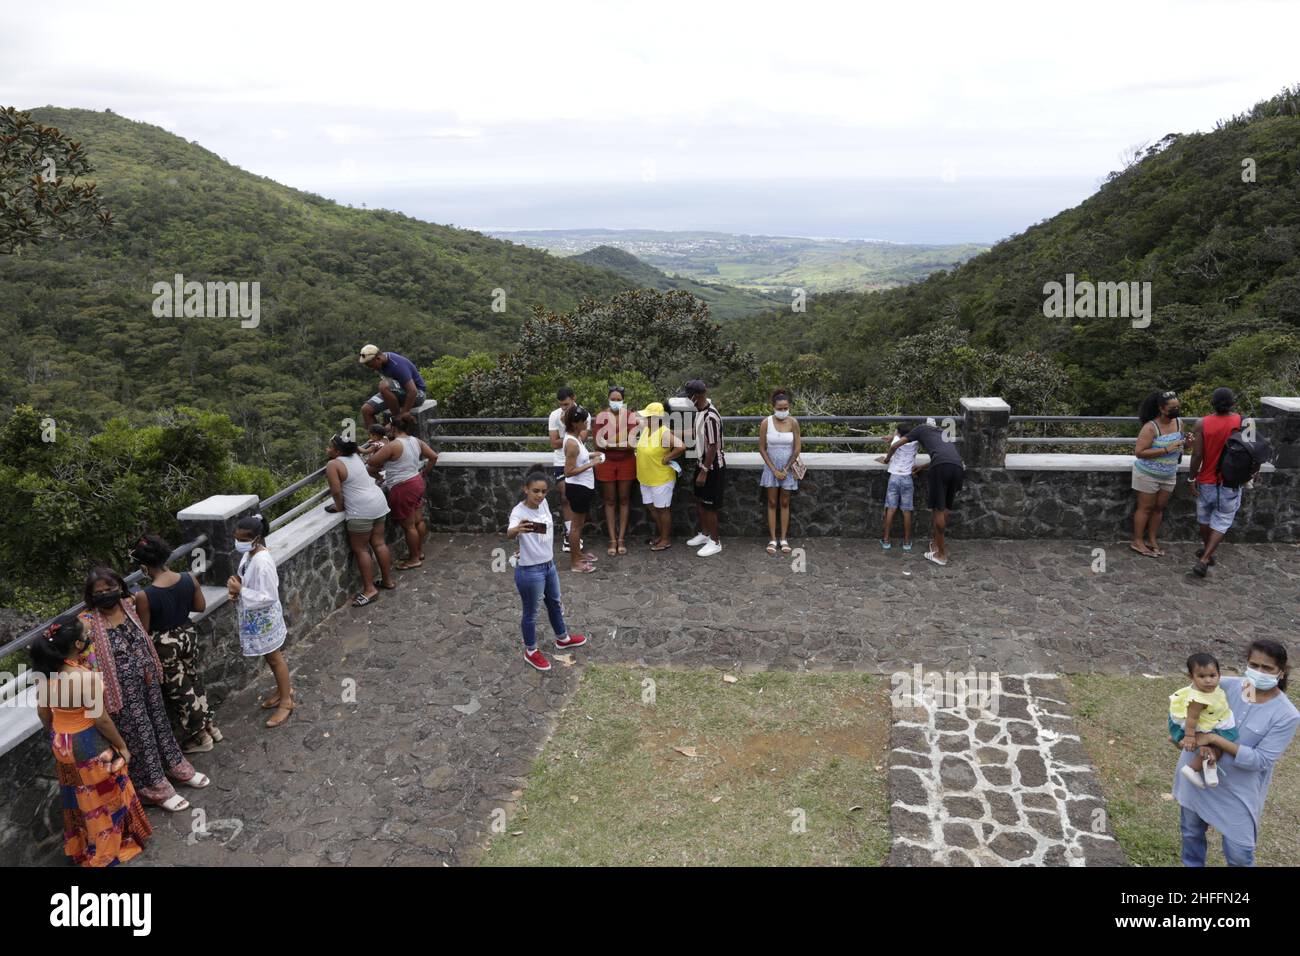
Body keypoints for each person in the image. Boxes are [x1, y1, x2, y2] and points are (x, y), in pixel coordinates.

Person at [80, 567, 209, 812]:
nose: (106, 594)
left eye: (110, 589)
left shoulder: (129, 605)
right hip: (119, 690)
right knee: (139, 735)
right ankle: (153, 786)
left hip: (148, 680)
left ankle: (174, 765)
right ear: (90, 595)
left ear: (120, 587)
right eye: (100, 592)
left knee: (159, 723)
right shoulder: (86, 622)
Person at [32, 613, 153, 866]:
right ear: (78, 645)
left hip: (61, 742)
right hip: (86, 743)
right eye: (85, 636)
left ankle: (85, 842)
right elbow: (101, 720)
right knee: (102, 796)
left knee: (78, 795)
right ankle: (107, 848)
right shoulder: (85, 678)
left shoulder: (46, 674)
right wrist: (121, 746)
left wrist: (56, 733)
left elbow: (44, 712)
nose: (88, 638)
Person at [1172, 639, 1297, 866]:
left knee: (1240, 854)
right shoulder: (1225, 687)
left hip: (1237, 791)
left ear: (1281, 671)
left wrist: (1213, 738)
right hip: (1196, 779)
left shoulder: (1286, 714)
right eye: (1254, 665)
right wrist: (1182, 737)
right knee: (1191, 837)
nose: (1258, 672)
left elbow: (1260, 760)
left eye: (1267, 668)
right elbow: (1184, 708)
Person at [130, 534, 220, 755]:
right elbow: (200, 606)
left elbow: (145, 629)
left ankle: (200, 736)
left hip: (165, 644)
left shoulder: (145, 595)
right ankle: (211, 726)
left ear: (144, 566)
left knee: (179, 689)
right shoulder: (189, 578)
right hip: (187, 633)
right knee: (193, 677)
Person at [506, 467, 590, 672]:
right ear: (526, 489)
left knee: (554, 603)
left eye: (543, 491)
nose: (540, 495)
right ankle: (531, 651)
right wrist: (517, 530)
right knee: (531, 613)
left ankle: (562, 638)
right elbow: (510, 531)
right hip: (530, 571)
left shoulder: (543, 504)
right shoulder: (519, 512)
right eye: (535, 491)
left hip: (548, 566)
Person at [226, 514, 295, 728]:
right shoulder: (249, 555)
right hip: (257, 618)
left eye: (242, 539)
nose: (238, 543)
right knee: (270, 657)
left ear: (256, 539)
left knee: (275, 658)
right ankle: (282, 690)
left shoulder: (262, 562)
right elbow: (246, 579)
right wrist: (237, 591)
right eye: (236, 538)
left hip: (264, 619)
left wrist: (242, 590)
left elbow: (268, 596)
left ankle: (286, 701)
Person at [884, 417, 964, 566]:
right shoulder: (941, 432)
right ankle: (936, 544)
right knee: (946, 507)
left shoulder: (920, 429)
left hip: (940, 468)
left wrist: (887, 459)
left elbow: (896, 445)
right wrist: (922, 467)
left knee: (938, 510)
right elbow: (943, 454)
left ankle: (941, 555)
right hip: (957, 466)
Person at [325, 433, 395, 605]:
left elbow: (336, 491)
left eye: (329, 447)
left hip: (361, 508)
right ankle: (388, 580)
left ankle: (370, 590)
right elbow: (357, 448)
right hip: (377, 501)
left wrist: (340, 507)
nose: (326, 449)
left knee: (361, 549)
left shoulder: (333, 464)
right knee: (379, 543)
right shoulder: (355, 455)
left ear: (338, 450)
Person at [1187, 387, 1248, 578]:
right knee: (1222, 520)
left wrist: (1191, 477)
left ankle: (1206, 554)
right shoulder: (1244, 422)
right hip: (1231, 481)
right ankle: (1206, 557)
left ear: (1212, 403)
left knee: (1204, 517)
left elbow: (1197, 454)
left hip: (1206, 478)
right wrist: (1252, 473)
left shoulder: (1201, 423)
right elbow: (1252, 450)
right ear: (1233, 403)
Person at [367, 413, 437, 570]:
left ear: (394, 427)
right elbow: (433, 457)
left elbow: (372, 461)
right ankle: (418, 552)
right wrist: (423, 473)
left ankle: (414, 559)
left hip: (402, 486)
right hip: (416, 481)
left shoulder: (394, 445)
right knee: (418, 520)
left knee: (409, 526)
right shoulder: (416, 441)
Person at [1169, 652, 1239, 789]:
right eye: (1202, 676)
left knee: (1216, 747)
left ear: (1219, 674)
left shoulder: (1210, 689)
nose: (1208, 680)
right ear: (1191, 677)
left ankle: (1209, 767)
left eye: (1212, 676)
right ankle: (1192, 768)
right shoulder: (1197, 699)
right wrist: (1189, 736)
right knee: (1222, 743)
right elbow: (1192, 718)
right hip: (1196, 726)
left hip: (1209, 720)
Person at [1130, 390, 1186, 557]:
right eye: (1172, 407)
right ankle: (1138, 541)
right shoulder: (1150, 427)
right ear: (1162, 409)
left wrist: (1187, 443)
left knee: (1159, 509)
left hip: (1169, 474)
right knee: (1145, 508)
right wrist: (1164, 449)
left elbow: (1179, 445)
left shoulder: (1179, 423)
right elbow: (1139, 452)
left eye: (1177, 406)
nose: (1176, 409)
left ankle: (1152, 539)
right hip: (1148, 474)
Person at [593, 386, 641, 557]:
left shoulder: (630, 417)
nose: (615, 401)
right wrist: (621, 443)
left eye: (618, 399)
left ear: (623, 400)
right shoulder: (600, 417)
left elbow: (633, 443)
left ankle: (621, 539)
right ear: (608, 399)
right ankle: (612, 539)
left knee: (625, 499)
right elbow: (598, 443)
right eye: (612, 399)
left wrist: (611, 445)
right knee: (610, 500)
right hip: (606, 463)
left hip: (627, 462)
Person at [635, 401, 685, 551]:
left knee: (662, 509)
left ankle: (665, 539)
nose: (646, 419)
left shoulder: (663, 432)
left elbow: (681, 446)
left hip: (661, 479)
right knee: (651, 507)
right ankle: (661, 535)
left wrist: (668, 457)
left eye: (649, 417)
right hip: (645, 477)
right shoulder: (646, 429)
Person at [684, 379, 726, 557]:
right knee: (700, 501)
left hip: (712, 467)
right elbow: (697, 434)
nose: (688, 399)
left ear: (698, 395)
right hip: (700, 463)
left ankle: (715, 542)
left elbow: (712, 446)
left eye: (690, 396)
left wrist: (704, 471)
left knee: (709, 506)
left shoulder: (711, 416)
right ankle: (705, 533)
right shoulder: (699, 412)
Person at [758, 389, 801, 555]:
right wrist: (774, 469)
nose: (783, 411)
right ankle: (772, 539)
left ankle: (784, 538)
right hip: (771, 468)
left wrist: (786, 468)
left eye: (786, 408)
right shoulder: (766, 423)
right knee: (771, 502)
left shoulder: (793, 422)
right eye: (780, 408)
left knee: (785, 502)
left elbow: (797, 447)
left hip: (787, 469)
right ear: (773, 407)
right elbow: (762, 448)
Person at [561, 404, 604, 573]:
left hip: (583, 487)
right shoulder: (572, 443)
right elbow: (569, 472)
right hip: (578, 488)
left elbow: (581, 456)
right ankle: (575, 563)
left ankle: (578, 554)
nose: (587, 423)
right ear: (575, 423)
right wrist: (591, 464)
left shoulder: (576, 438)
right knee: (576, 527)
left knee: (578, 525)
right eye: (584, 421)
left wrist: (594, 455)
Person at [547, 387, 590, 553]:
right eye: (561, 405)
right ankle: (569, 533)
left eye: (566, 404)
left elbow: (582, 439)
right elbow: (553, 443)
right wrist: (571, 436)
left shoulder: (584, 414)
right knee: (565, 496)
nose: (564, 408)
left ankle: (575, 533)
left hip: (578, 459)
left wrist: (564, 439)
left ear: (573, 398)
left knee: (577, 500)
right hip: (560, 461)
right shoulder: (554, 415)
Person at [359, 344, 427, 429]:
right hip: (398, 392)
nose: (372, 368)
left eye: (371, 365)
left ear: (378, 359)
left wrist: (404, 413)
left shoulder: (396, 365)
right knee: (366, 410)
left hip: (417, 395)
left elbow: (413, 391)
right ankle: (377, 438)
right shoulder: (381, 361)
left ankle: (397, 420)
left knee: (383, 385)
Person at [877, 423, 918, 551]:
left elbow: (896, 438)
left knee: (891, 509)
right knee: (906, 511)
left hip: (894, 477)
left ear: (898, 433)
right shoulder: (916, 442)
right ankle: (906, 543)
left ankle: (886, 541)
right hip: (907, 478)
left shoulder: (895, 440)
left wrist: (893, 435)